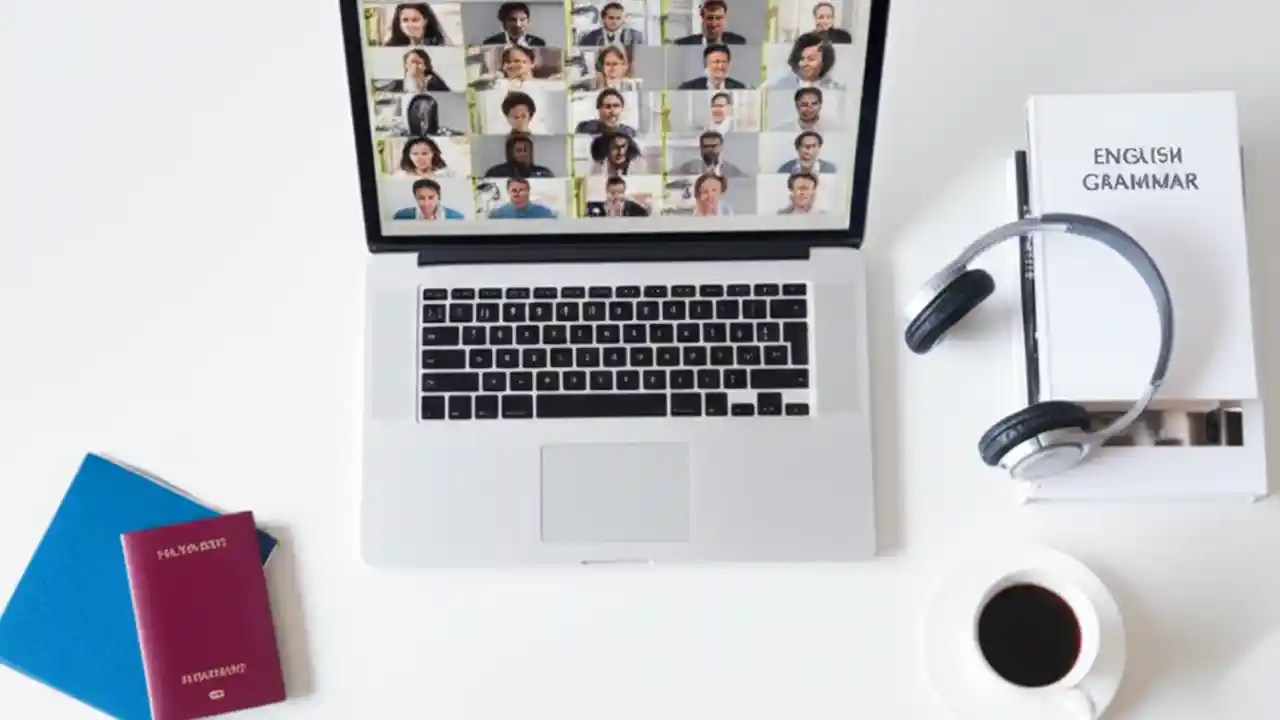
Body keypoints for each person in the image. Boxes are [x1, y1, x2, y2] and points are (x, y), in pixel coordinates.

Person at [772, 32, 843, 89]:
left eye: (811, 59)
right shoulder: (782, 86)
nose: (804, 64)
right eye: (801, 59)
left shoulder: (835, 90)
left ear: (824, 61)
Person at [673, 130, 745, 177]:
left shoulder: (731, 170)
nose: (710, 150)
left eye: (714, 146)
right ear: (701, 148)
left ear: (721, 147)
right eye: (706, 146)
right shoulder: (689, 168)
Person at [673, 0, 745, 45]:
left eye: (718, 18)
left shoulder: (738, 43)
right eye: (710, 18)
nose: (714, 23)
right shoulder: (684, 44)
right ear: (702, 19)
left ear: (725, 19)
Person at [483, 132, 554, 177]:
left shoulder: (544, 173)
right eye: (519, 150)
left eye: (526, 150)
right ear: (511, 153)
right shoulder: (496, 173)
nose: (524, 154)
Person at [678, 44, 748, 89]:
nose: (720, 66)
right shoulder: (688, 88)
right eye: (716, 62)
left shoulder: (739, 88)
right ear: (706, 64)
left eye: (724, 62)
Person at [771, 87, 840, 132]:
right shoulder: (782, 131)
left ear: (820, 105)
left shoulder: (835, 130)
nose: (809, 108)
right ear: (797, 106)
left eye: (814, 104)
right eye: (804, 104)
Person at [572, 46, 641, 91]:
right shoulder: (591, 85)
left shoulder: (632, 86)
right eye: (608, 64)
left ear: (623, 65)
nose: (611, 68)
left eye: (615, 64)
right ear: (602, 66)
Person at [482, 2, 547, 47]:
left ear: (528, 22)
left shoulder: (538, 43)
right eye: (512, 20)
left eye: (522, 20)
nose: (518, 24)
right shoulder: (490, 43)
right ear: (504, 23)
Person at [393, 178, 465, 219]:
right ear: (415, 198)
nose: (426, 203)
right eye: (421, 198)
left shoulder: (456, 218)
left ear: (439, 197)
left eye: (431, 198)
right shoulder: (402, 216)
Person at [579, 2, 645, 46]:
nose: (614, 21)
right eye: (611, 18)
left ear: (623, 19)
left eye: (618, 18)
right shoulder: (590, 37)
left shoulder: (635, 36)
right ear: (603, 18)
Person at [488, 177, 557, 218]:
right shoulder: (496, 215)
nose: (518, 193)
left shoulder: (544, 213)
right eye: (514, 190)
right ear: (508, 192)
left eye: (521, 190)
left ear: (528, 191)